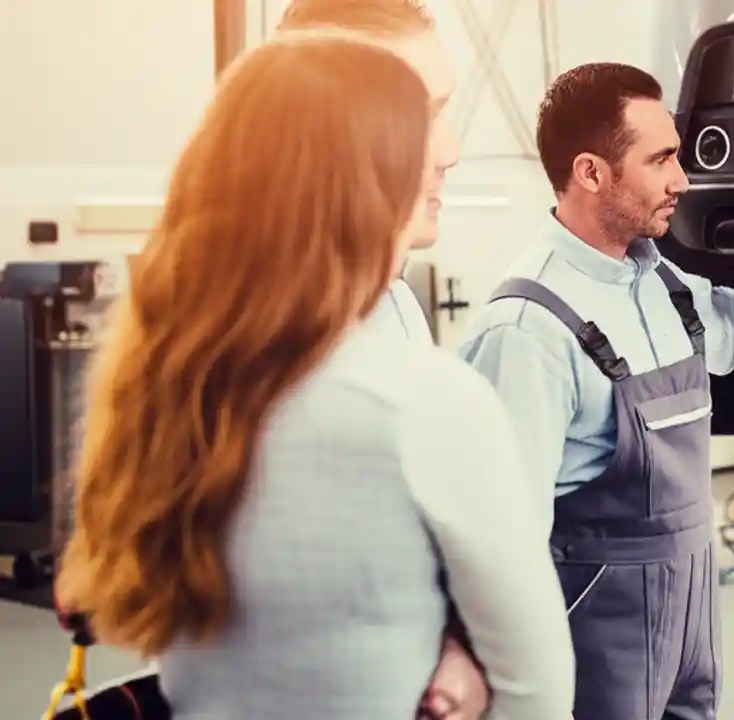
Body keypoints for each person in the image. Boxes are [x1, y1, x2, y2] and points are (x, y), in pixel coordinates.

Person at [53, 34, 574, 720]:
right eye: (417, 128)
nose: (445, 155)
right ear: (354, 180)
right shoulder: (421, 400)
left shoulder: (170, 379)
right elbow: (539, 691)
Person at [456, 62, 734, 719]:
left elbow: (732, 324)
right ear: (591, 172)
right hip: (599, 632)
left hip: (693, 611)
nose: (681, 180)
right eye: (660, 159)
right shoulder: (528, 329)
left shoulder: (658, 281)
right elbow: (501, 545)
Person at [272, 3, 491, 717]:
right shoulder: (246, 344)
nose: (451, 149)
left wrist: (451, 643)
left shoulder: (393, 305)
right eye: (423, 112)